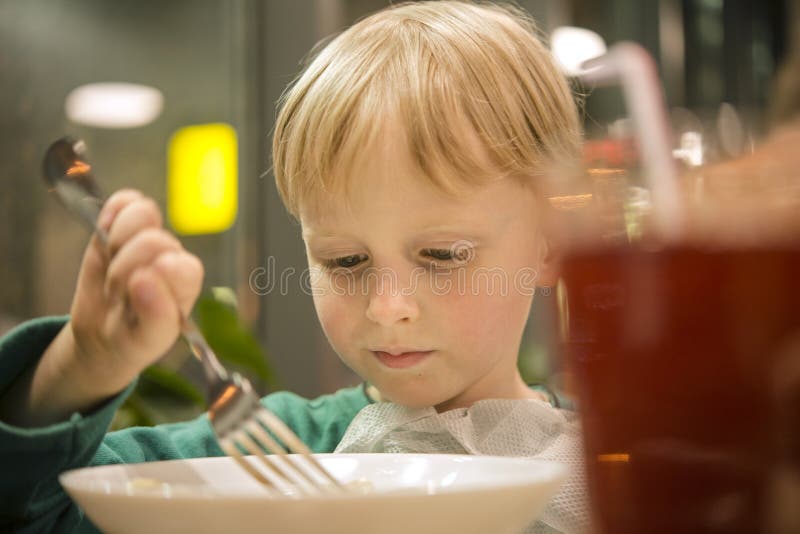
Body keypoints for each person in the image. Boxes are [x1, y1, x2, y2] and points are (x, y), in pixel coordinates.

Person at [0, 2, 585, 532]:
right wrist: (80, 365)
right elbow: (35, 512)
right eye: (345, 260)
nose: (387, 308)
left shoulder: (613, 459)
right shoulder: (273, 455)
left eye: (442, 255)